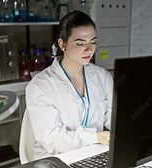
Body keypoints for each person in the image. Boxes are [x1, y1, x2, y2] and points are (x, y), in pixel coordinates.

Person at [24, 10, 113, 159]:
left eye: (93, 41)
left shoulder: (102, 76)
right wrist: (95, 136)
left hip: (93, 154)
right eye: (80, 43)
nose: (89, 49)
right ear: (62, 44)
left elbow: (113, 117)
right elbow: (53, 140)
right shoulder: (40, 86)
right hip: (55, 158)